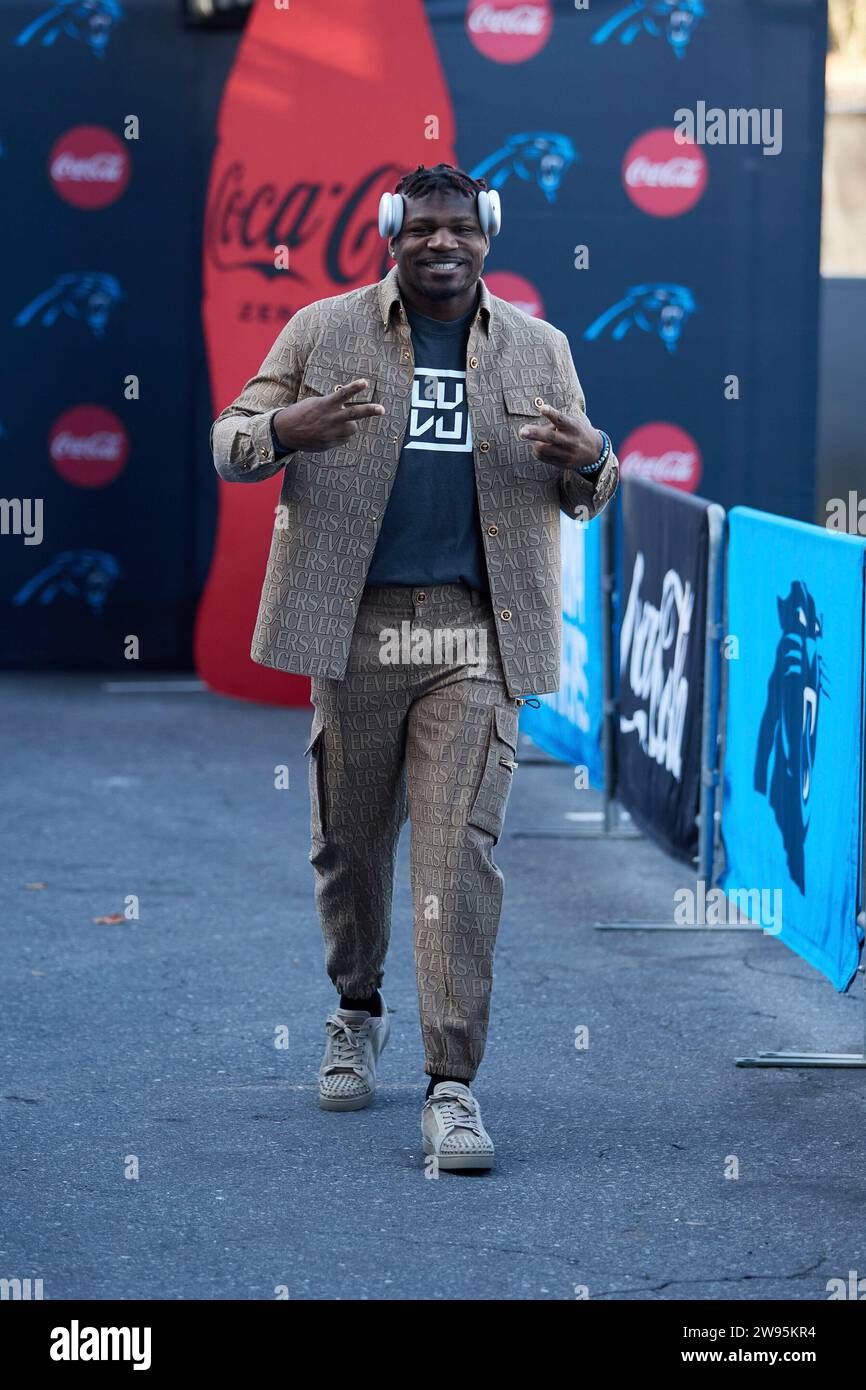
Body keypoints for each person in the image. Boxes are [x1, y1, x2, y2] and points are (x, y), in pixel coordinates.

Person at [210, 163, 618, 1172]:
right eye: (419, 229)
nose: (440, 245)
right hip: (354, 629)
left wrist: (590, 459)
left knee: (456, 855)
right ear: (390, 234)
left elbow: (585, 492)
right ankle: (355, 1009)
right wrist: (280, 430)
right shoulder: (321, 331)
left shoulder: (541, 347)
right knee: (348, 843)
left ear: (488, 234)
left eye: (458, 230)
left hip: (474, 635)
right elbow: (228, 443)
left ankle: (451, 1088)